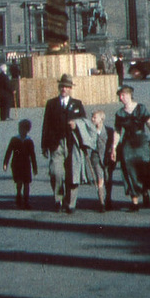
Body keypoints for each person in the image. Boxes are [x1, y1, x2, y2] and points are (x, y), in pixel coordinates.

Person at [41, 73, 86, 213]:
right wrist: (44, 145)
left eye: (67, 87)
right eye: (62, 86)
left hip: (73, 144)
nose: (64, 89)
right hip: (56, 143)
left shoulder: (77, 104)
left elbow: (85, 123)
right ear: (59, 87)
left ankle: (71, 203)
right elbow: (46, 125)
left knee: (72, 173)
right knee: (56, 172)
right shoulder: (51, 104)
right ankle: (58, 199)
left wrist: (76, 125)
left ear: (71, 88)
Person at [110, 84, 150, 212]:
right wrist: (114, 147)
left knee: (143, 167)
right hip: (127, 143)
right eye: (120, 96)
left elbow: (149, 123)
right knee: (128, 169)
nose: (121, 98)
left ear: (130, 95)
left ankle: (144, 191)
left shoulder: (141, 108)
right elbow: (117, 131)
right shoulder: (119, 113)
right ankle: (135, 201)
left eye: (123, 95)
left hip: (141, 141)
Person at [3, 119, 38, 209]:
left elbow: (32, 155)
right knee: (19, 183)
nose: (21, 130)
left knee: (26, 183)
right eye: (20, 128)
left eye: (23, 129)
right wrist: (5, 163)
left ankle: (26, 201)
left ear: (27, 130)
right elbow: (9, 151)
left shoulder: (29, 141)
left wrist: (34, 167)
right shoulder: (14, 140)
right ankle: (18, 196)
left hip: (26, 165)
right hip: (16, 164)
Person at [88, 110, 116, 212]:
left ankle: (108, 199)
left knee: (108, 179)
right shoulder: (91, 130)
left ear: (101, 119)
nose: (92, 119)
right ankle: (101, 203)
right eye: (92, 117)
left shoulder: (109, 130)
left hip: (107, 158)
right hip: (96, 157)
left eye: (95, 117)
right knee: (100, 179)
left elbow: (113, 144)